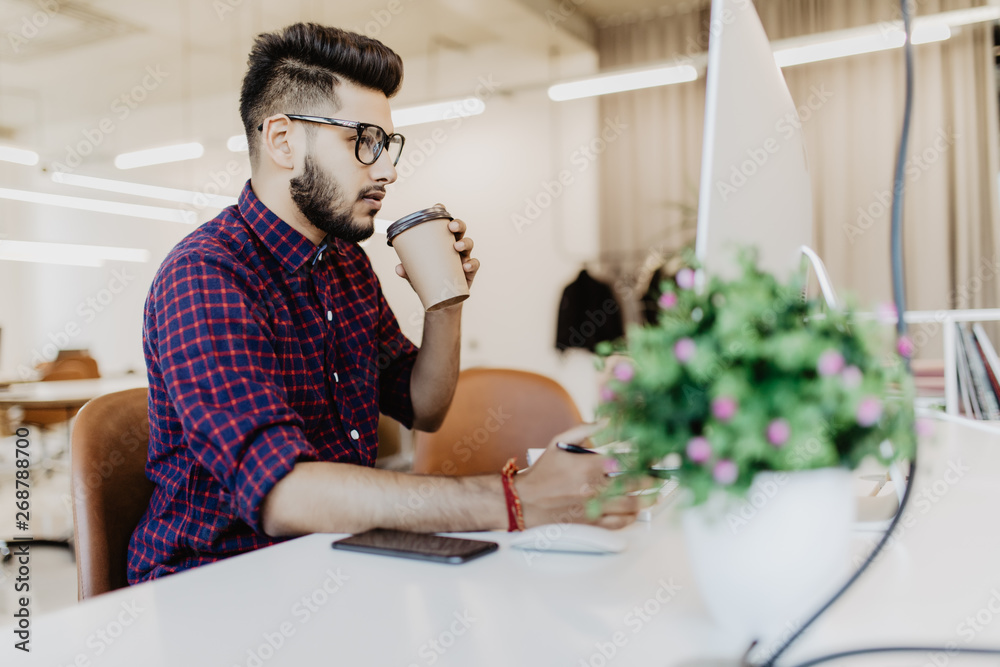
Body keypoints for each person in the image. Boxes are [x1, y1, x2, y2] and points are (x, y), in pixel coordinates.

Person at [128, 23, 639, 583]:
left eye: (388, 145)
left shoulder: (345, 265)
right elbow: (282, 494)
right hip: (215, 586)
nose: (388, 170)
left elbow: (425, 407)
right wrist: (515, 499)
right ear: (282, 141)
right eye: (362, 141)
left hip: (331, 564)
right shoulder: (206, 275)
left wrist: (445, 302)